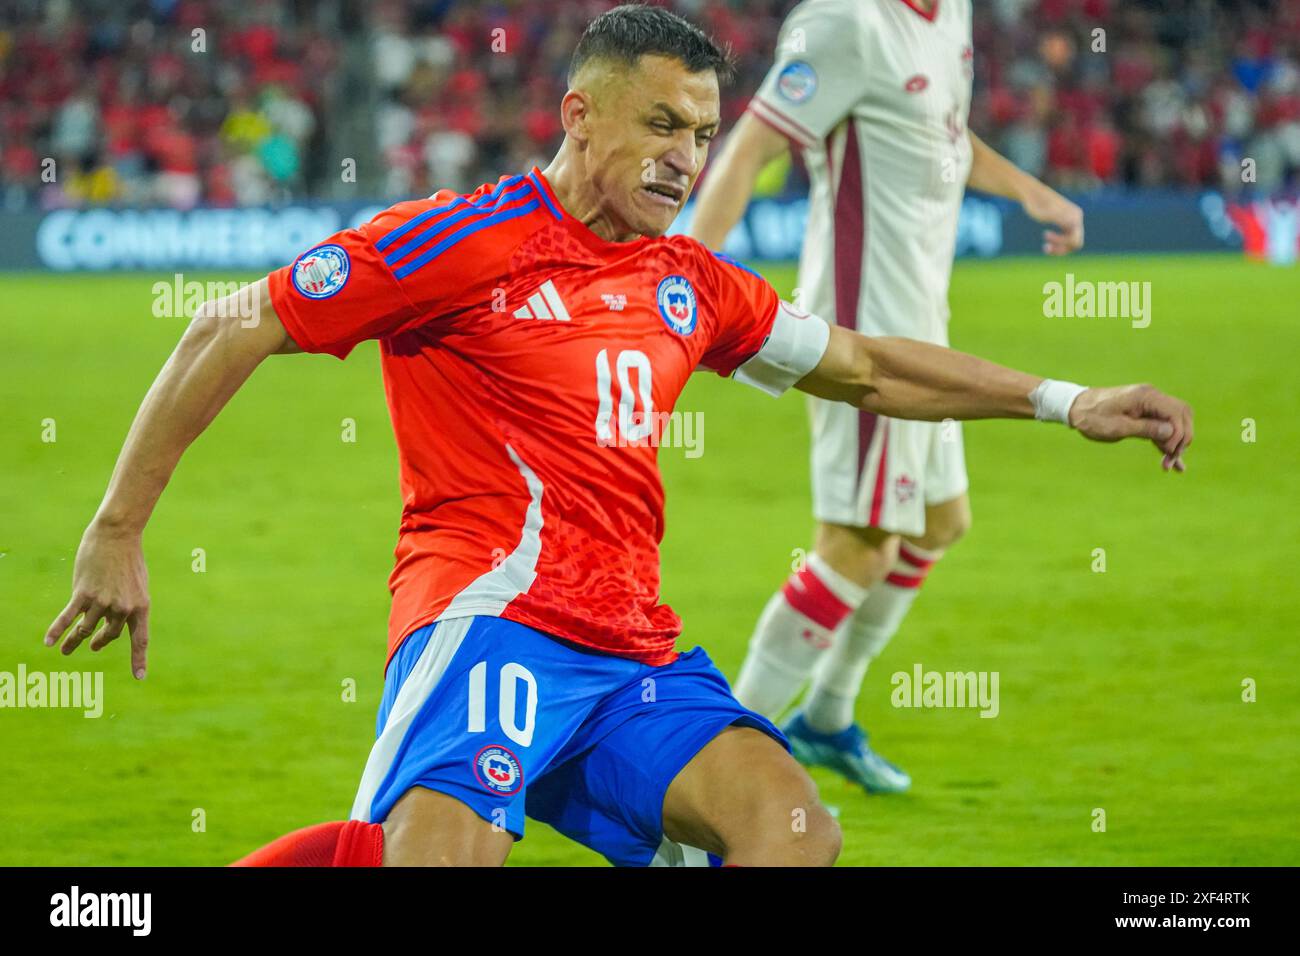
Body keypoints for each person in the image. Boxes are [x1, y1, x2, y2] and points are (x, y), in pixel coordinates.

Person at [44, 4, 1190, 867]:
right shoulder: (461, 241)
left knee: (797, 833)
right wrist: (116, 528)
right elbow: (232, 322)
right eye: (658, 124)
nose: (684, 157)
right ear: (577, 115)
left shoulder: (688, 282)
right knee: (441, 855)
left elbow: (866, 364)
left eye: (699, 131)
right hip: (489, 620)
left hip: (633, 651)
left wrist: (1063, 399)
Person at [690, 0, 1089, 793]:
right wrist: (682, 278)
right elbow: (753, 146)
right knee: (860, 542)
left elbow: (941, 133)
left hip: (925, 329)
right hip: (864, 336)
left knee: (941, 521)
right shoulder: (845, 22)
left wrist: (1030, 192)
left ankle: (827, 715)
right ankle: (713, 776)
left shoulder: (952, 16)